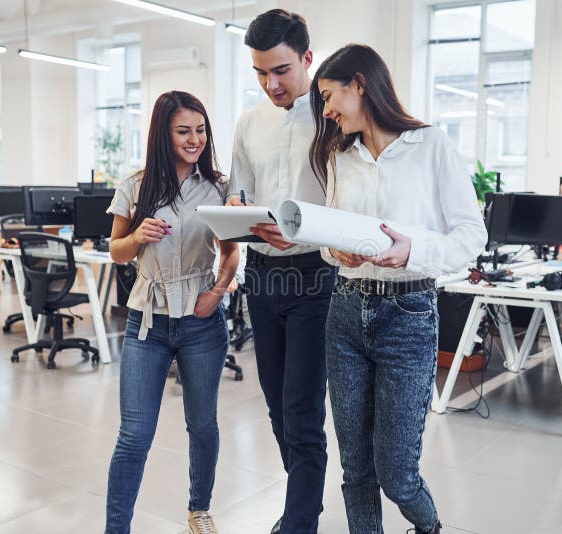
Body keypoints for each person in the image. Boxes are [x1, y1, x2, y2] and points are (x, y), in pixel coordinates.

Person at [309, 44, 488, 534]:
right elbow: (331, 239)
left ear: (359, 84)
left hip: (408, 312)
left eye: (329, 96)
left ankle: (429, 527)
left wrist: (413, 251)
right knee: (356, 469)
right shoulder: (338, 154)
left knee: (397, 474)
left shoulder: (431, 145)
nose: (326, 111)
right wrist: (336, 251)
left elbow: (472, 236)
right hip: (346, 310)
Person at [105, 90, 239, 534]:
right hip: (148, 324)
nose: (194, 139)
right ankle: (116, 527)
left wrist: (217, 292)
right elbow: (116, 253)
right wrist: (138, 236)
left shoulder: (220, 187)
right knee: (134, 436)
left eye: (200, 130)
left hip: (203, 323)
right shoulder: (135, 186)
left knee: (202, 426)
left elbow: (232, 253)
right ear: (163, 134)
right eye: (184, 131)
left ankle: (198, 510)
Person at [226, 9, 336, 534]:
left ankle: (298, 524)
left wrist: (304, 231)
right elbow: (237, 192)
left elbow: (350, 205)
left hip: (317, 277)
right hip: (262, 278)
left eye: (282, 71)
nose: (271, 84)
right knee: (275, 408)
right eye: (260, 73)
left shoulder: (335, 117)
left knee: (301, 411)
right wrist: (241, 218)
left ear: (307, 59)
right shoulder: (249, 122)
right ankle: (303, 506)